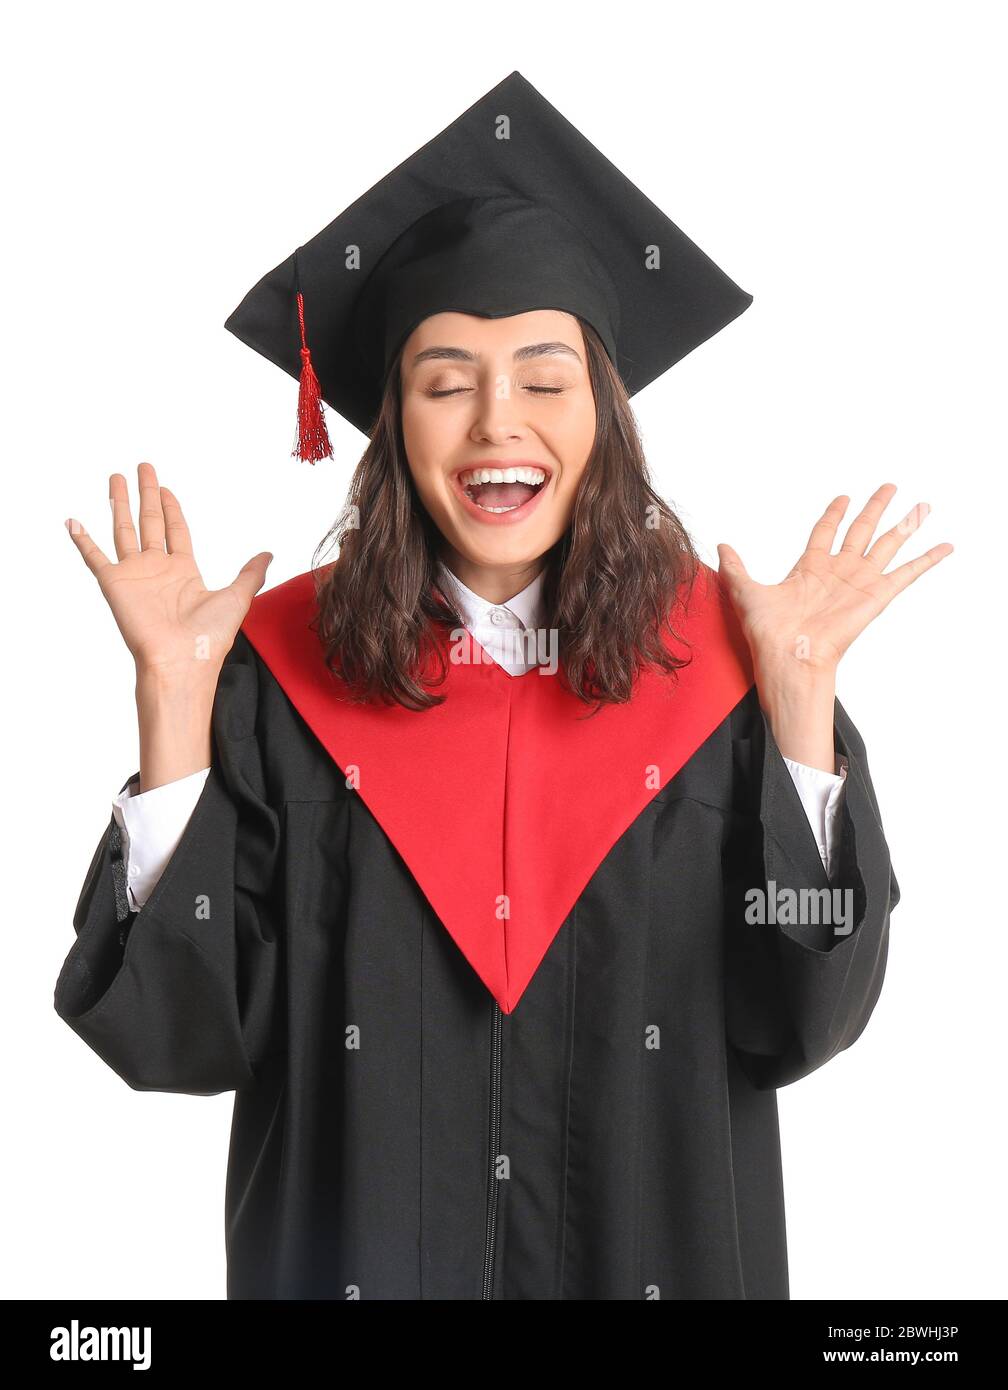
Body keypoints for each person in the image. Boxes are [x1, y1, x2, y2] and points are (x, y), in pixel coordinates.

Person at [54, 71, 950, 1300]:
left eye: (544, 377)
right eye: (444, 381)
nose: (496, 423)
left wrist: (799, 707)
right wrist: (171, 703)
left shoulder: (730, 671)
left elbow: (807, 1019)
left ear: (607, 412)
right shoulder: (271, 681)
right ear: (386, 421)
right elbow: (181, 1040)